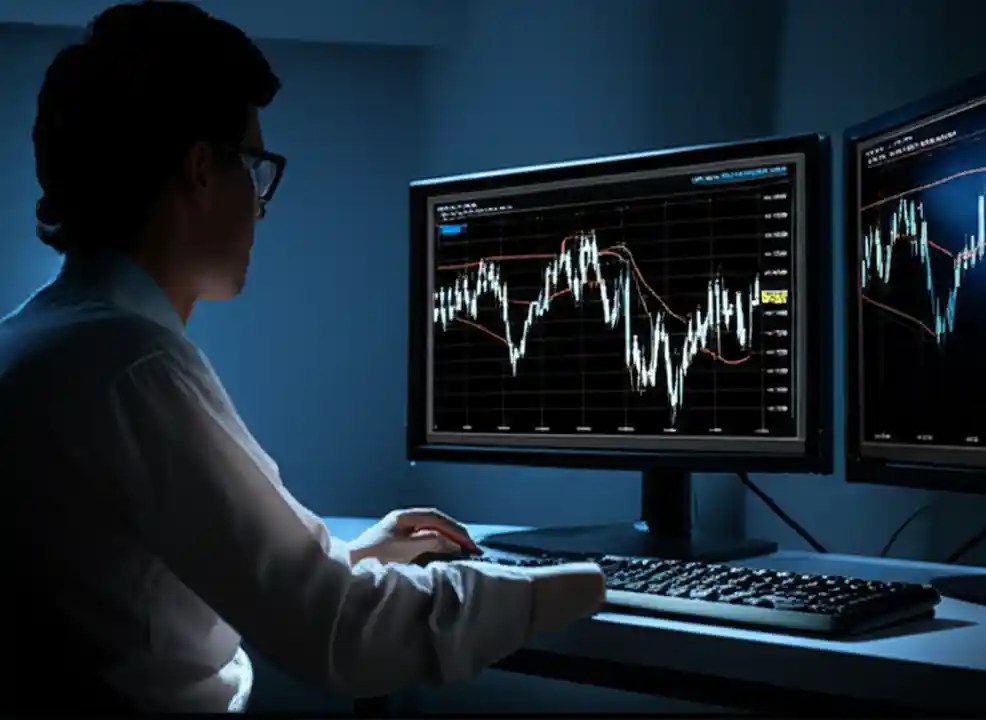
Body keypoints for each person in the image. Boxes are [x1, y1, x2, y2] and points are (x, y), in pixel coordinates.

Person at [0, 1, 605, 713]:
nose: (260, 205)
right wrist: (586, 584)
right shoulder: (132, 366)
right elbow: (342, 636)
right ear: (200, 170)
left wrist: (344, 559)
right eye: (254, 168)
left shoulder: (35, 343)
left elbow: (162, 581)